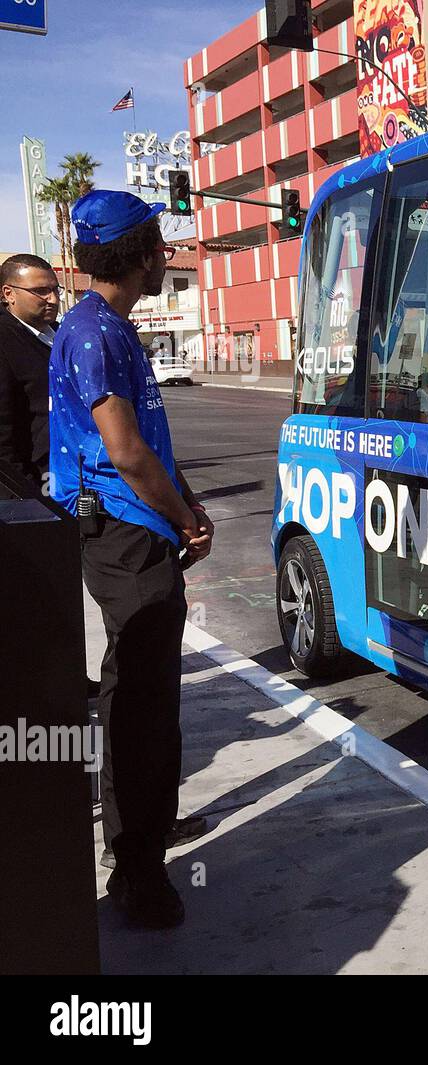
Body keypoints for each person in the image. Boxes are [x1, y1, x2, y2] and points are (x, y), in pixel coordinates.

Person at [49, 190, 214, 929]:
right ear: (140, 254)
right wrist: (180, 515)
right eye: (160, 247)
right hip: (123, 532)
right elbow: (122, 450)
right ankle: (137, 869)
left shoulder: (110, 326)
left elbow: (148, 436)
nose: (166, 258)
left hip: (143, 526)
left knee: (148, 695)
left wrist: (187, 501)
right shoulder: (92, 334)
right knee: (141, 704)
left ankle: (147, 833)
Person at [0, 254, 60, 493]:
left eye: (56, 290)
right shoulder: (5, 341)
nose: (53, 299)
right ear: (8, 294)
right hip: (37, 486)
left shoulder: (60, 334)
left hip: (72, 477)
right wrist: (27, 497)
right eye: (41, 291)